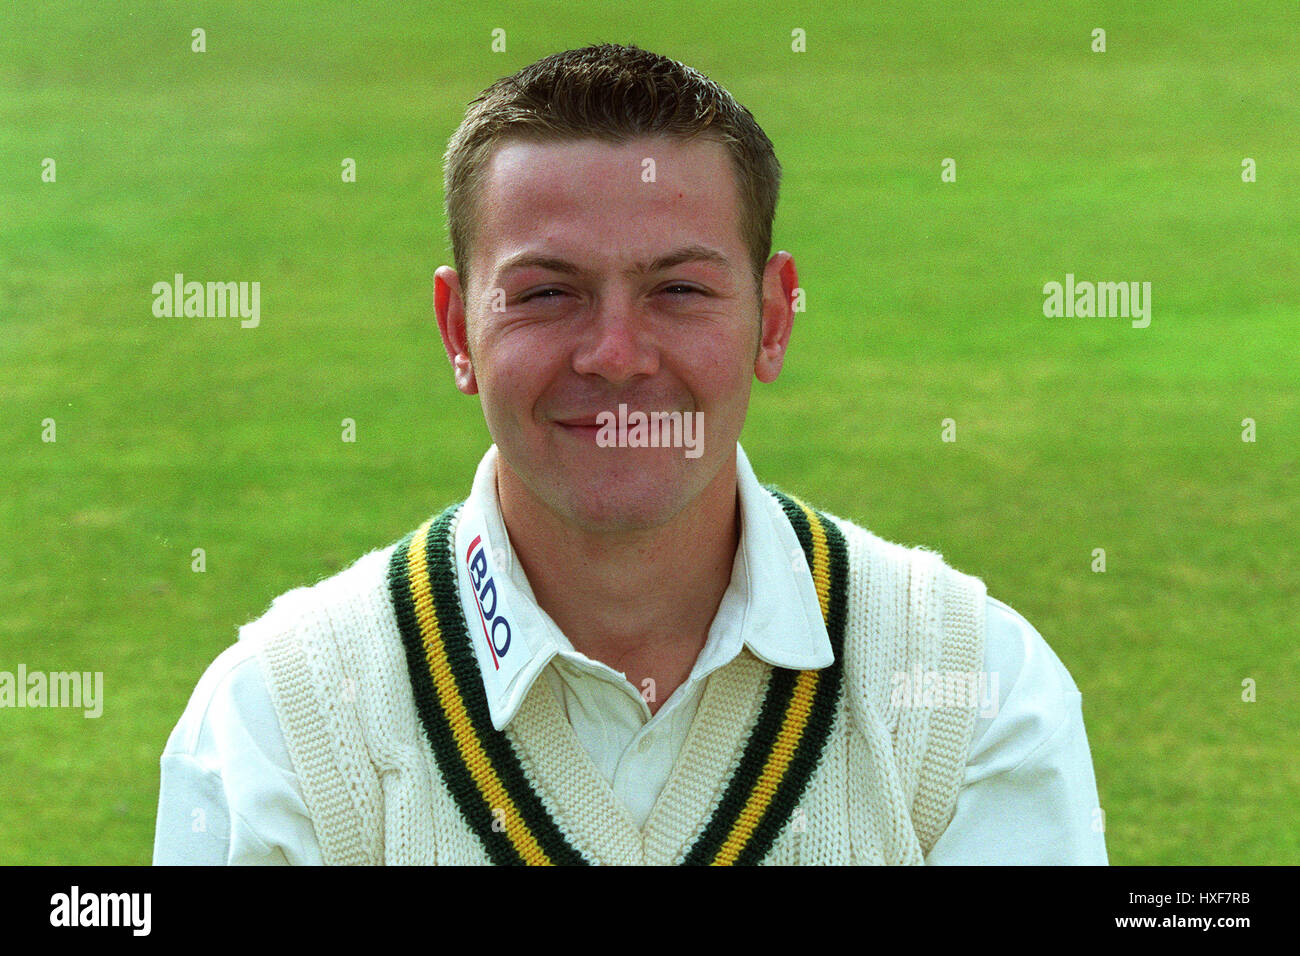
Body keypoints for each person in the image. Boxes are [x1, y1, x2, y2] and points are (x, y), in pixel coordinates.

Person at [153, 43, 1107, 865]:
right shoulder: (280, 718)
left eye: (679, 291)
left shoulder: (967, 690)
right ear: (456, 330)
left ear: (774, 319)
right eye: (546, 293)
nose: (616, 357)